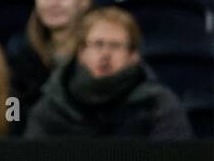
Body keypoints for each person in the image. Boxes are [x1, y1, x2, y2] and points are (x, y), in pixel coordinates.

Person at [26, 8, 193, 139]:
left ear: (133, 55)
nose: (105, 54)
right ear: (81, 52)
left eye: (115, 45)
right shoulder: (53, 106)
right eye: (98, 44)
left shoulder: (158, 105)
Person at [6, 0, 94, 122]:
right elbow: (13, 109)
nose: (52, 3)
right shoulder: (19, 50)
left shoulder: (101, 47)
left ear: (85, 0)